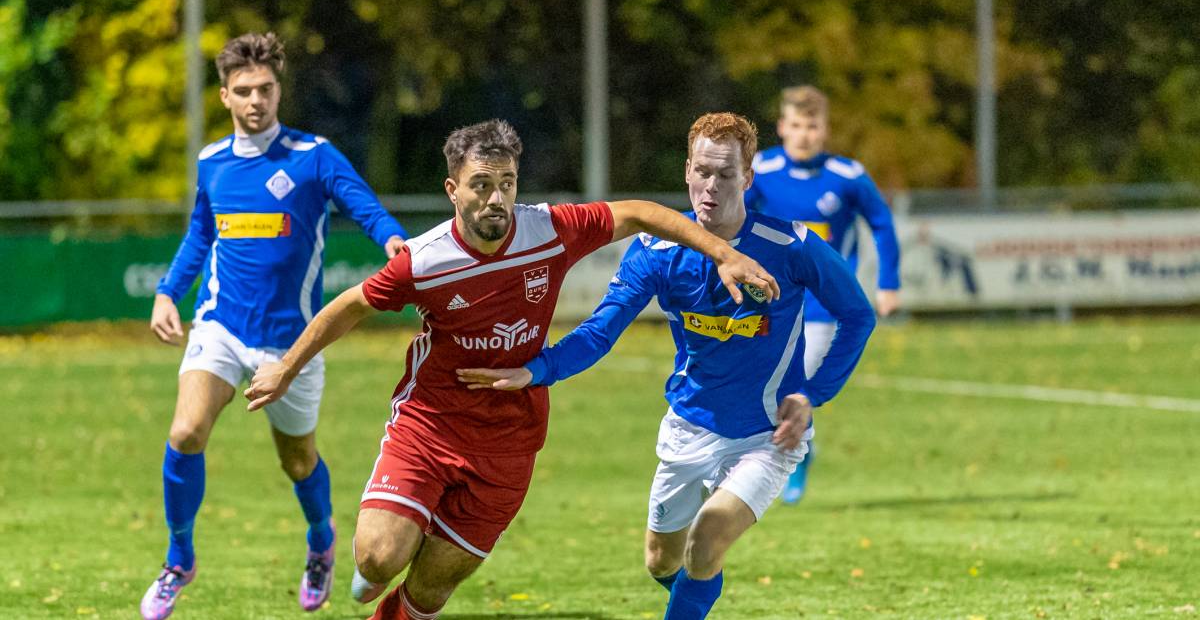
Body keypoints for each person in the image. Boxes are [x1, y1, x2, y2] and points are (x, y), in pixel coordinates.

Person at [242, 119, 778, 620]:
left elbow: (640, 211)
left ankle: (413, 551)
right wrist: (286, 368)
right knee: (379, 557)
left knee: (429, 590)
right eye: (480, 184)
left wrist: (720, 253)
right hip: (430, 426)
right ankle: (395, 539)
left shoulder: (547, 230)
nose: (496, 198)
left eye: (507, 182)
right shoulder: (424, 261)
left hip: (509, 440)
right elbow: (352, 304)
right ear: (453, 191)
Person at [457, 112, 876, 619]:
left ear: (747, 177)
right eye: (702, 171)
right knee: (661, 562)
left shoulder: (792, 247)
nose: (711, 186)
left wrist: (812, 394)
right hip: (687, 428)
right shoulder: (656, 252)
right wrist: (538, 370)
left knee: (706, 540)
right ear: (686, 170)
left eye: (725, 174)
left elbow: (857, 315)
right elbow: (600, 331)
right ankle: (693, 602)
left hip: (765, 436)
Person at [142, 32, 407, 619]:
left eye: (265, 88)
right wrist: (167, 292)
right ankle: (179, 557)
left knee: (297, 460)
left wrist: (391, 238)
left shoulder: (313, 156)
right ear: (225, 96)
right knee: (185, 432)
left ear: (278, 89)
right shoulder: (212, 164)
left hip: (293, 343)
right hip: (221, 327)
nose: (256, 100)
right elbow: (200, 237)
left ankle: (320, 540)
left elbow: (360, 202)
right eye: (244, 91)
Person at [745, 85, 901, 503]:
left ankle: (796, 456)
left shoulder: (847, 176)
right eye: (796, 125)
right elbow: (732, 215)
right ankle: (786, 451)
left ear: (824, 130)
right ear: (781, 127)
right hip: (770, 297)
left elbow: (881, 224)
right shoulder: (760, 169)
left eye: (812, 126)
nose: (803, 135)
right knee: (762, 383)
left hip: (822, 304)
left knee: (797, 385)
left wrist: (888, 283)